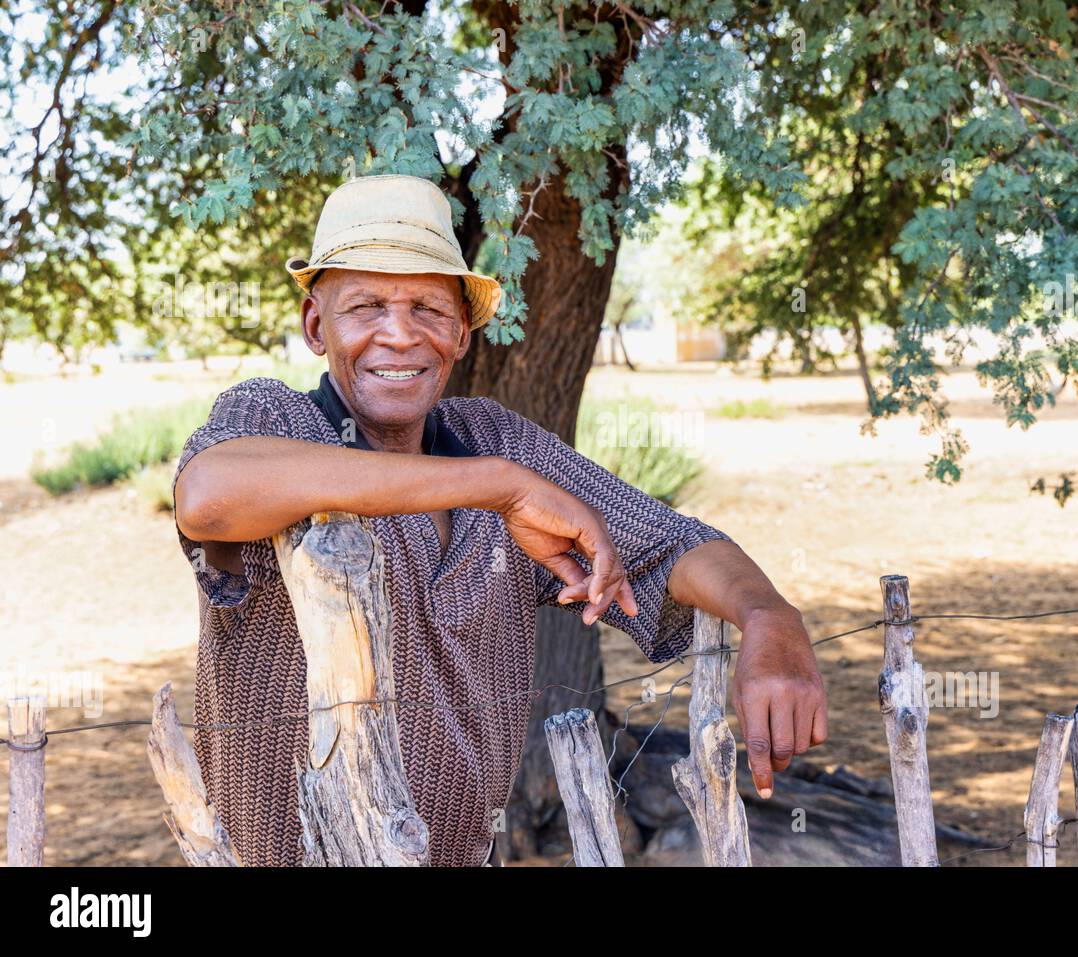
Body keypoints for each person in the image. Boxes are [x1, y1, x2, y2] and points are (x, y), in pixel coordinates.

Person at [172, 174, 827, 865]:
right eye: (364, 306)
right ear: (315, 325)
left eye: (427, 307)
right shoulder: (276, 419)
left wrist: (767, 616)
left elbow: (670, 545)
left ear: (460, 331)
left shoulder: (494, 436)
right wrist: (503, 489)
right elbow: (208, 494)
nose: (398, 333)